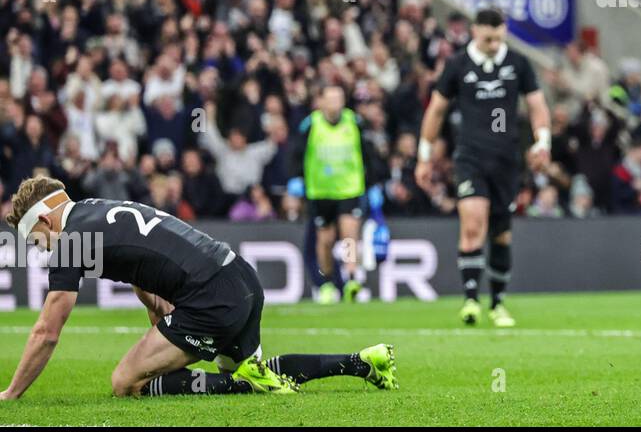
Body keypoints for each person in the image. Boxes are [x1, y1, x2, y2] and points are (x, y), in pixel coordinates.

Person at [0, 176, 396, 400]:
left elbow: (47, 331)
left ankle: (245, 382)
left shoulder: (72, 238)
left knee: (125, 382)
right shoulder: (98, 210)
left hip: (209, 297)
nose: (40, 251)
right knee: (246, 367)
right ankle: (361, 361)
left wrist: (11, 393)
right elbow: (140, 268)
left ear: (46, 222)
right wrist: (158, 321)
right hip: (240, 277)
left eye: (35, 240)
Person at [415, 7, 551, 328]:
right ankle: (471, 300)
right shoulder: (457, 65)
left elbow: (537, 106)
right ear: (475, 32)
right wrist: (424, 156)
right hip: (470, 157)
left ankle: (498, 303)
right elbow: (436, 111)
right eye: (488, 38)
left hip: (506, 160)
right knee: (473, 225)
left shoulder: (518, 63)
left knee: (501, 234)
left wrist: (542, 142)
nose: (493, 43)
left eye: (499, 37)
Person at [290, 86, 381, 303]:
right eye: (330, 99)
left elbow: (368, 154)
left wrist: (373, 183)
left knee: (349, 235)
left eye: (338, 99)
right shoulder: (311, 124)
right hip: (320, 192)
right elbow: (296, 153)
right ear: (321, 102)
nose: (334, 104)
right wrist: (296, 179)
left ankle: (350, 278)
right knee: (325, 240)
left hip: (349, 189)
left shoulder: (354, 122)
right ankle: (328, 282)